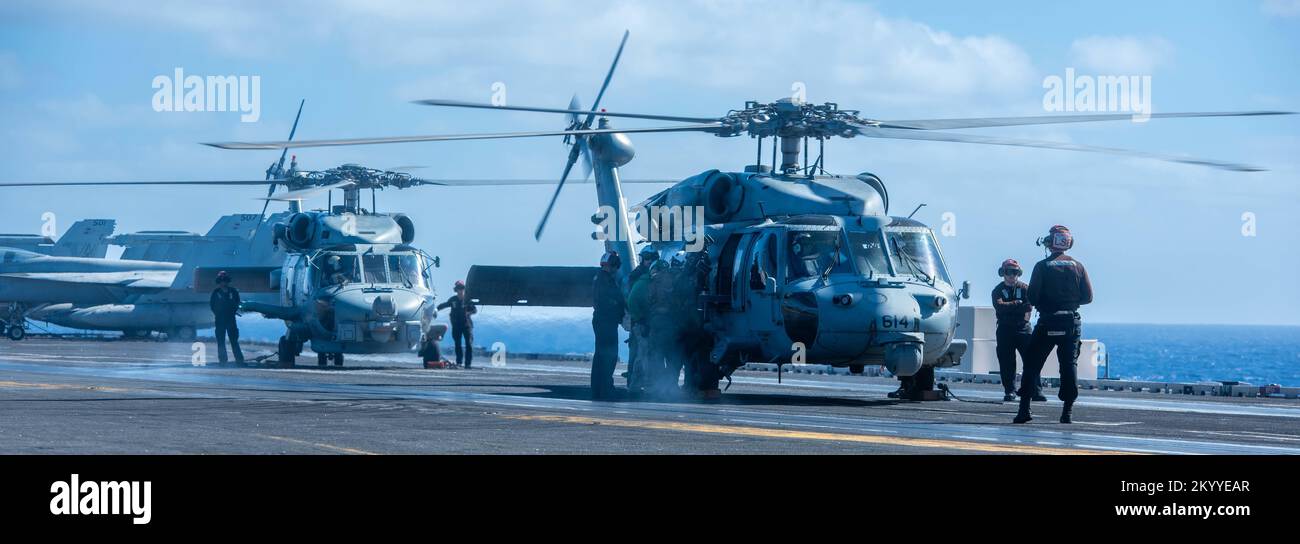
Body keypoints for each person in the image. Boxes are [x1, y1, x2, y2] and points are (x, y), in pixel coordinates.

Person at [1015, 225, 1094, 424]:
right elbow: (1088, 297)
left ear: (1050, 243)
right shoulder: (1079, 266)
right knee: (1068, 366)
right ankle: (1067, 412)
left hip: (1047, 321)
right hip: (1070, 323)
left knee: (1032, 364)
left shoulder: (1042, 266)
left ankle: (1024, 410)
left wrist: (1047, 303)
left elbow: (1031, 296)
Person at [992, 258, 1039, 402]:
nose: (1012, 276)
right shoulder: (997, 290)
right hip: (1005, 329)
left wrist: (1010, 306)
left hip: (1023, 329)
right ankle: (1010, 391)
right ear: (1003, 273)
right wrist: (1017, 304)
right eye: (1008, 272)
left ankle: (1035, 390)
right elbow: (999, 306)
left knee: (1032, 360)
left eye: (1015, 272)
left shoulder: (1025, 288)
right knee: (1007, 362)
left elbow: (1029, 306)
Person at [591, 251, 626, 400]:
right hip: (607, 322)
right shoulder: (606, 281)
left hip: (602, 320)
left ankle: (598, 390)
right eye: (615, 266)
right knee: (608, 356)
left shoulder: (600, 278)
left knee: (600, 356)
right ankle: (606, 390)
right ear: (612, 266)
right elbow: (613, 300)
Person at [436, 280, 477, 368]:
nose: (461, 290)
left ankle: (468, 363)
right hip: (456, 326)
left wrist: (468, 313)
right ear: (456, 290)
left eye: (462, 288)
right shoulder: (453, 300)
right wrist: (435, 310)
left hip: (467, 326)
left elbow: (474, 310)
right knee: (457, 344)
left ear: (464, 289)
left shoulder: (468, 300)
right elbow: (444, 305)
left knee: (469, 344)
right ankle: (459, 362)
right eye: (459, 288)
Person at [209, 270, 245, 367]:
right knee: (221, 341)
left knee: (234, 341)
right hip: (220, 320)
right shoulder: (216, 293)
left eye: (225, 280)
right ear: (219, 281)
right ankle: (223, 361)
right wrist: (219, 313)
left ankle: (239, 360)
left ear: (227, 281)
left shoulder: (233, 291)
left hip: (231, 319)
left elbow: (237, 302)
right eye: (221, 280)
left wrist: (232, 310)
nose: (223, 282)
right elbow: (212, 305)